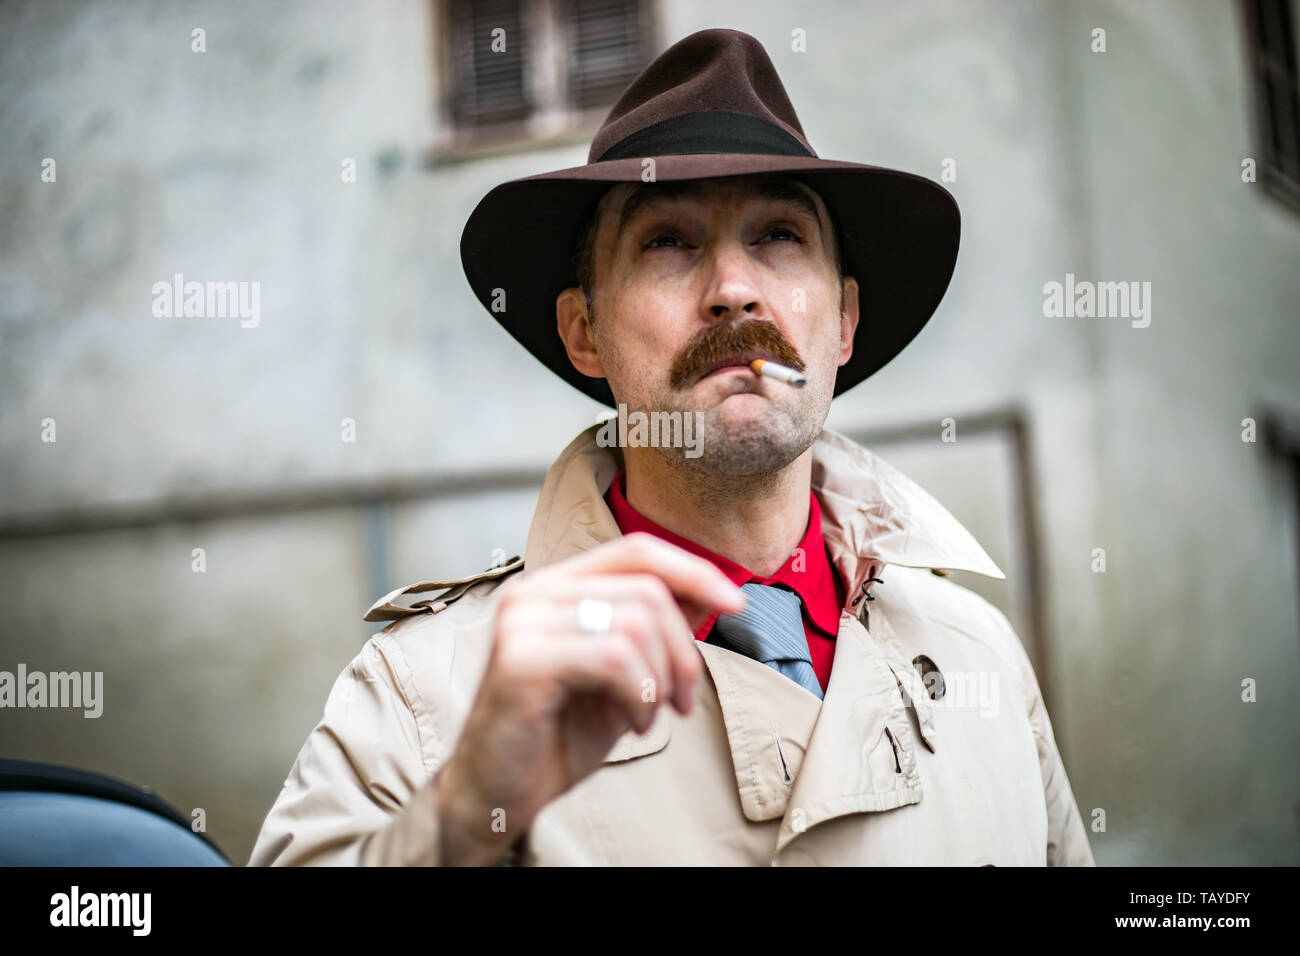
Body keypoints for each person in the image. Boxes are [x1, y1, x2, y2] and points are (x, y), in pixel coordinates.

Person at [249, 28, 1094, 867]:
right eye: (667, 241)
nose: (733, 290)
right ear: (585, 332)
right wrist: (467, 814)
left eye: (779, 235)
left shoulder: (976, 653)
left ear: (842, 321)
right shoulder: (428, 695)